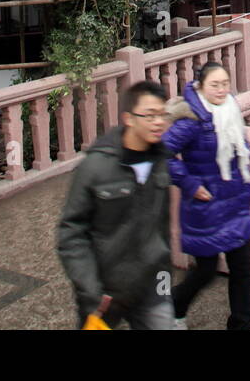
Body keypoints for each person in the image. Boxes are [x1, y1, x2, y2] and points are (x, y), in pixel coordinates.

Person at [56, 80, 175, 330]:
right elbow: (71, 233)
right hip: (104, 290)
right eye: (150, 115)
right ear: (129, 118)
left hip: (152, 286)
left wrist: (164, 283)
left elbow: (161, 228)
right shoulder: (96, 167)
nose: (158, 122)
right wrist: (91, 289)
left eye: (162, 115)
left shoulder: (161, 160)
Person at [163, 62, 250, 330]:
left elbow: (241, 150)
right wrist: (190, 184)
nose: (221, 89)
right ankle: (175, 305)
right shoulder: (193, 119)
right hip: (205, 208)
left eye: (225, 83)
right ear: (201, 87)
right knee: (205, 271)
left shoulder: (230, 111)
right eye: (214, 85)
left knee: (242, 269)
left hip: (234, 204)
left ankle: (241, 323)